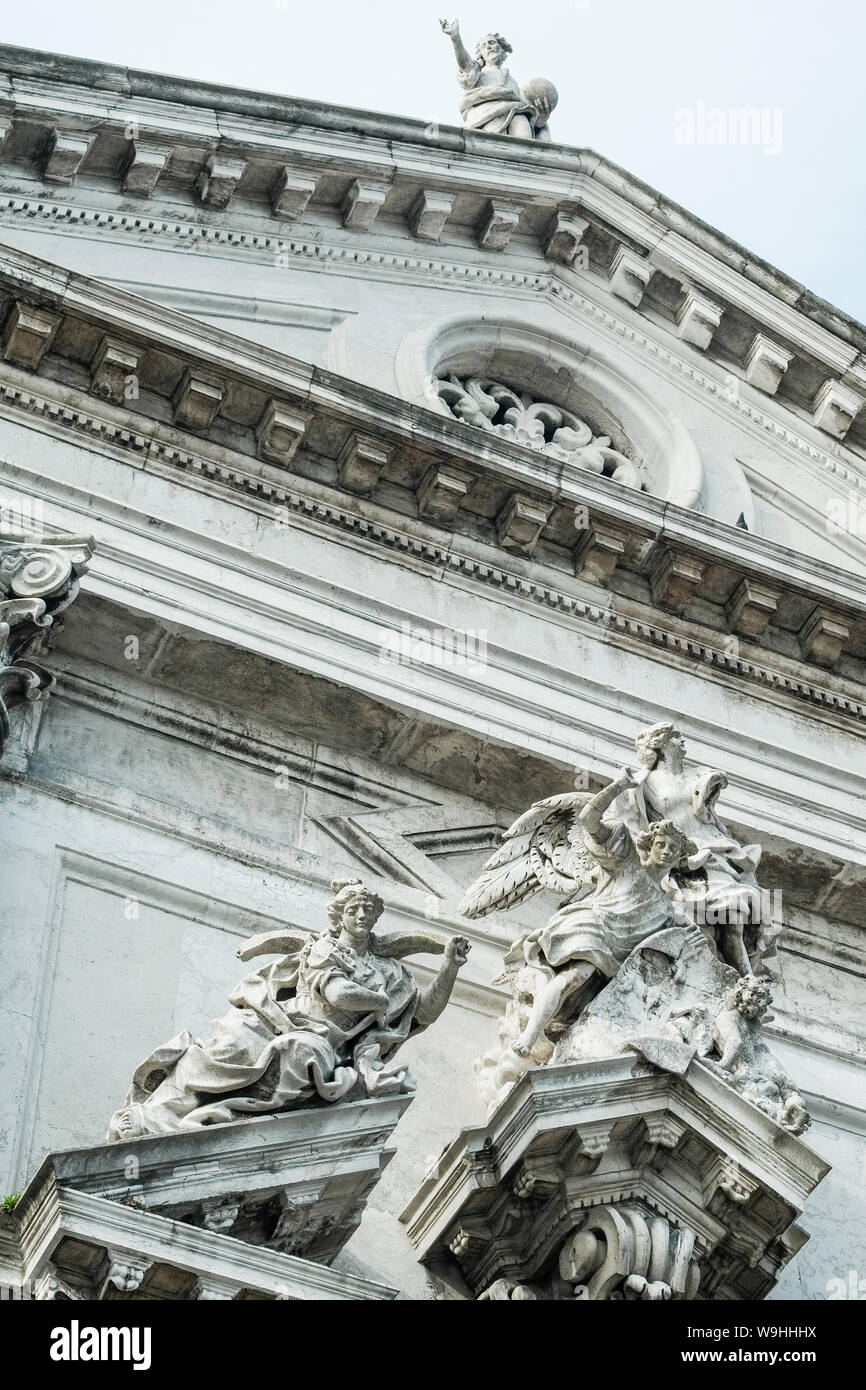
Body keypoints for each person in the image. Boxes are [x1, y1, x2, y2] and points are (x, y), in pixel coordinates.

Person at [108, 879, 469, 1139]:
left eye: (368, 910)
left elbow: (424, 1011)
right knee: (223, 1047)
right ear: (339, 917)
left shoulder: (391, 971)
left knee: (301, 1052)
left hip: (319, 1040)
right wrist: (379, 1001)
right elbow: (338, 992)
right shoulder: (324, 950)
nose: (361, 915)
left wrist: (449, 967)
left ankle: (223, 1119)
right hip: (276, 1018)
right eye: (353, 909)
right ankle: (156, 1116)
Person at [439, 20, 553, 139]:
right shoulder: (477, 71)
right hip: (486, 115)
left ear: (501, 48)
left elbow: (526, 107)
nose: (488, 47)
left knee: (522, 122)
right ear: (481, 54)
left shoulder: (511, 80)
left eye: (491, 43)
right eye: (484, 46)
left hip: (515, 112)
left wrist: (541, 117)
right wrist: (456, 39)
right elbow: (465, 64)